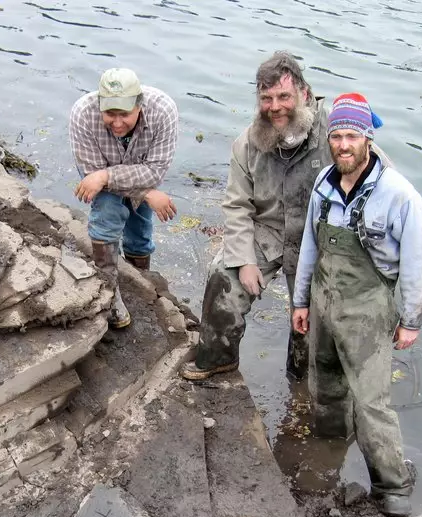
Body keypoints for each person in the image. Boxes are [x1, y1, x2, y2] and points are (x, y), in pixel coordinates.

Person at [291, 93, 422, 517]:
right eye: (336, 136)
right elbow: (309, 248)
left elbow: (419, 260)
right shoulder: (323, 184)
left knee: (372, 403)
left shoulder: (399, 195)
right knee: (327, 384)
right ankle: (332, 443)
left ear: (368, 140)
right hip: (323, 302)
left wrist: (411, 320)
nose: (343, 145)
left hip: (369, 310)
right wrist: (301, 300)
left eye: (352, 135)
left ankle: (392, 486)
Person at [180, 51, 331, 381]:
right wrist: (244, 260)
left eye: (283, 96)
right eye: (266, 98)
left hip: (320, 238)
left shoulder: (338, 132)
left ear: (304, 94)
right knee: (222, 276)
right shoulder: (246, 144)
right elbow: (236, 206)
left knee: (314, 325)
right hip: (270, 230)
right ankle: (219, 357)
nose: (274, 106)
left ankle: (302, 377)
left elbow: (379, 180)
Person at [69, 67, 179, 329]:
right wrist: (147, 192)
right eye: (110, 114)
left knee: (140, 228)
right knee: (107, 212)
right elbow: (92, 178)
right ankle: (108, 290)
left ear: (139, 106)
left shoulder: (164, 111)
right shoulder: (82, 114)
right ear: (99, 106)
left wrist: (110, 178)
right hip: (107, 181)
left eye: (125, 115)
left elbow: (154, 171)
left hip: (137, 173)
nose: (117, 123)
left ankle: (138, 276)